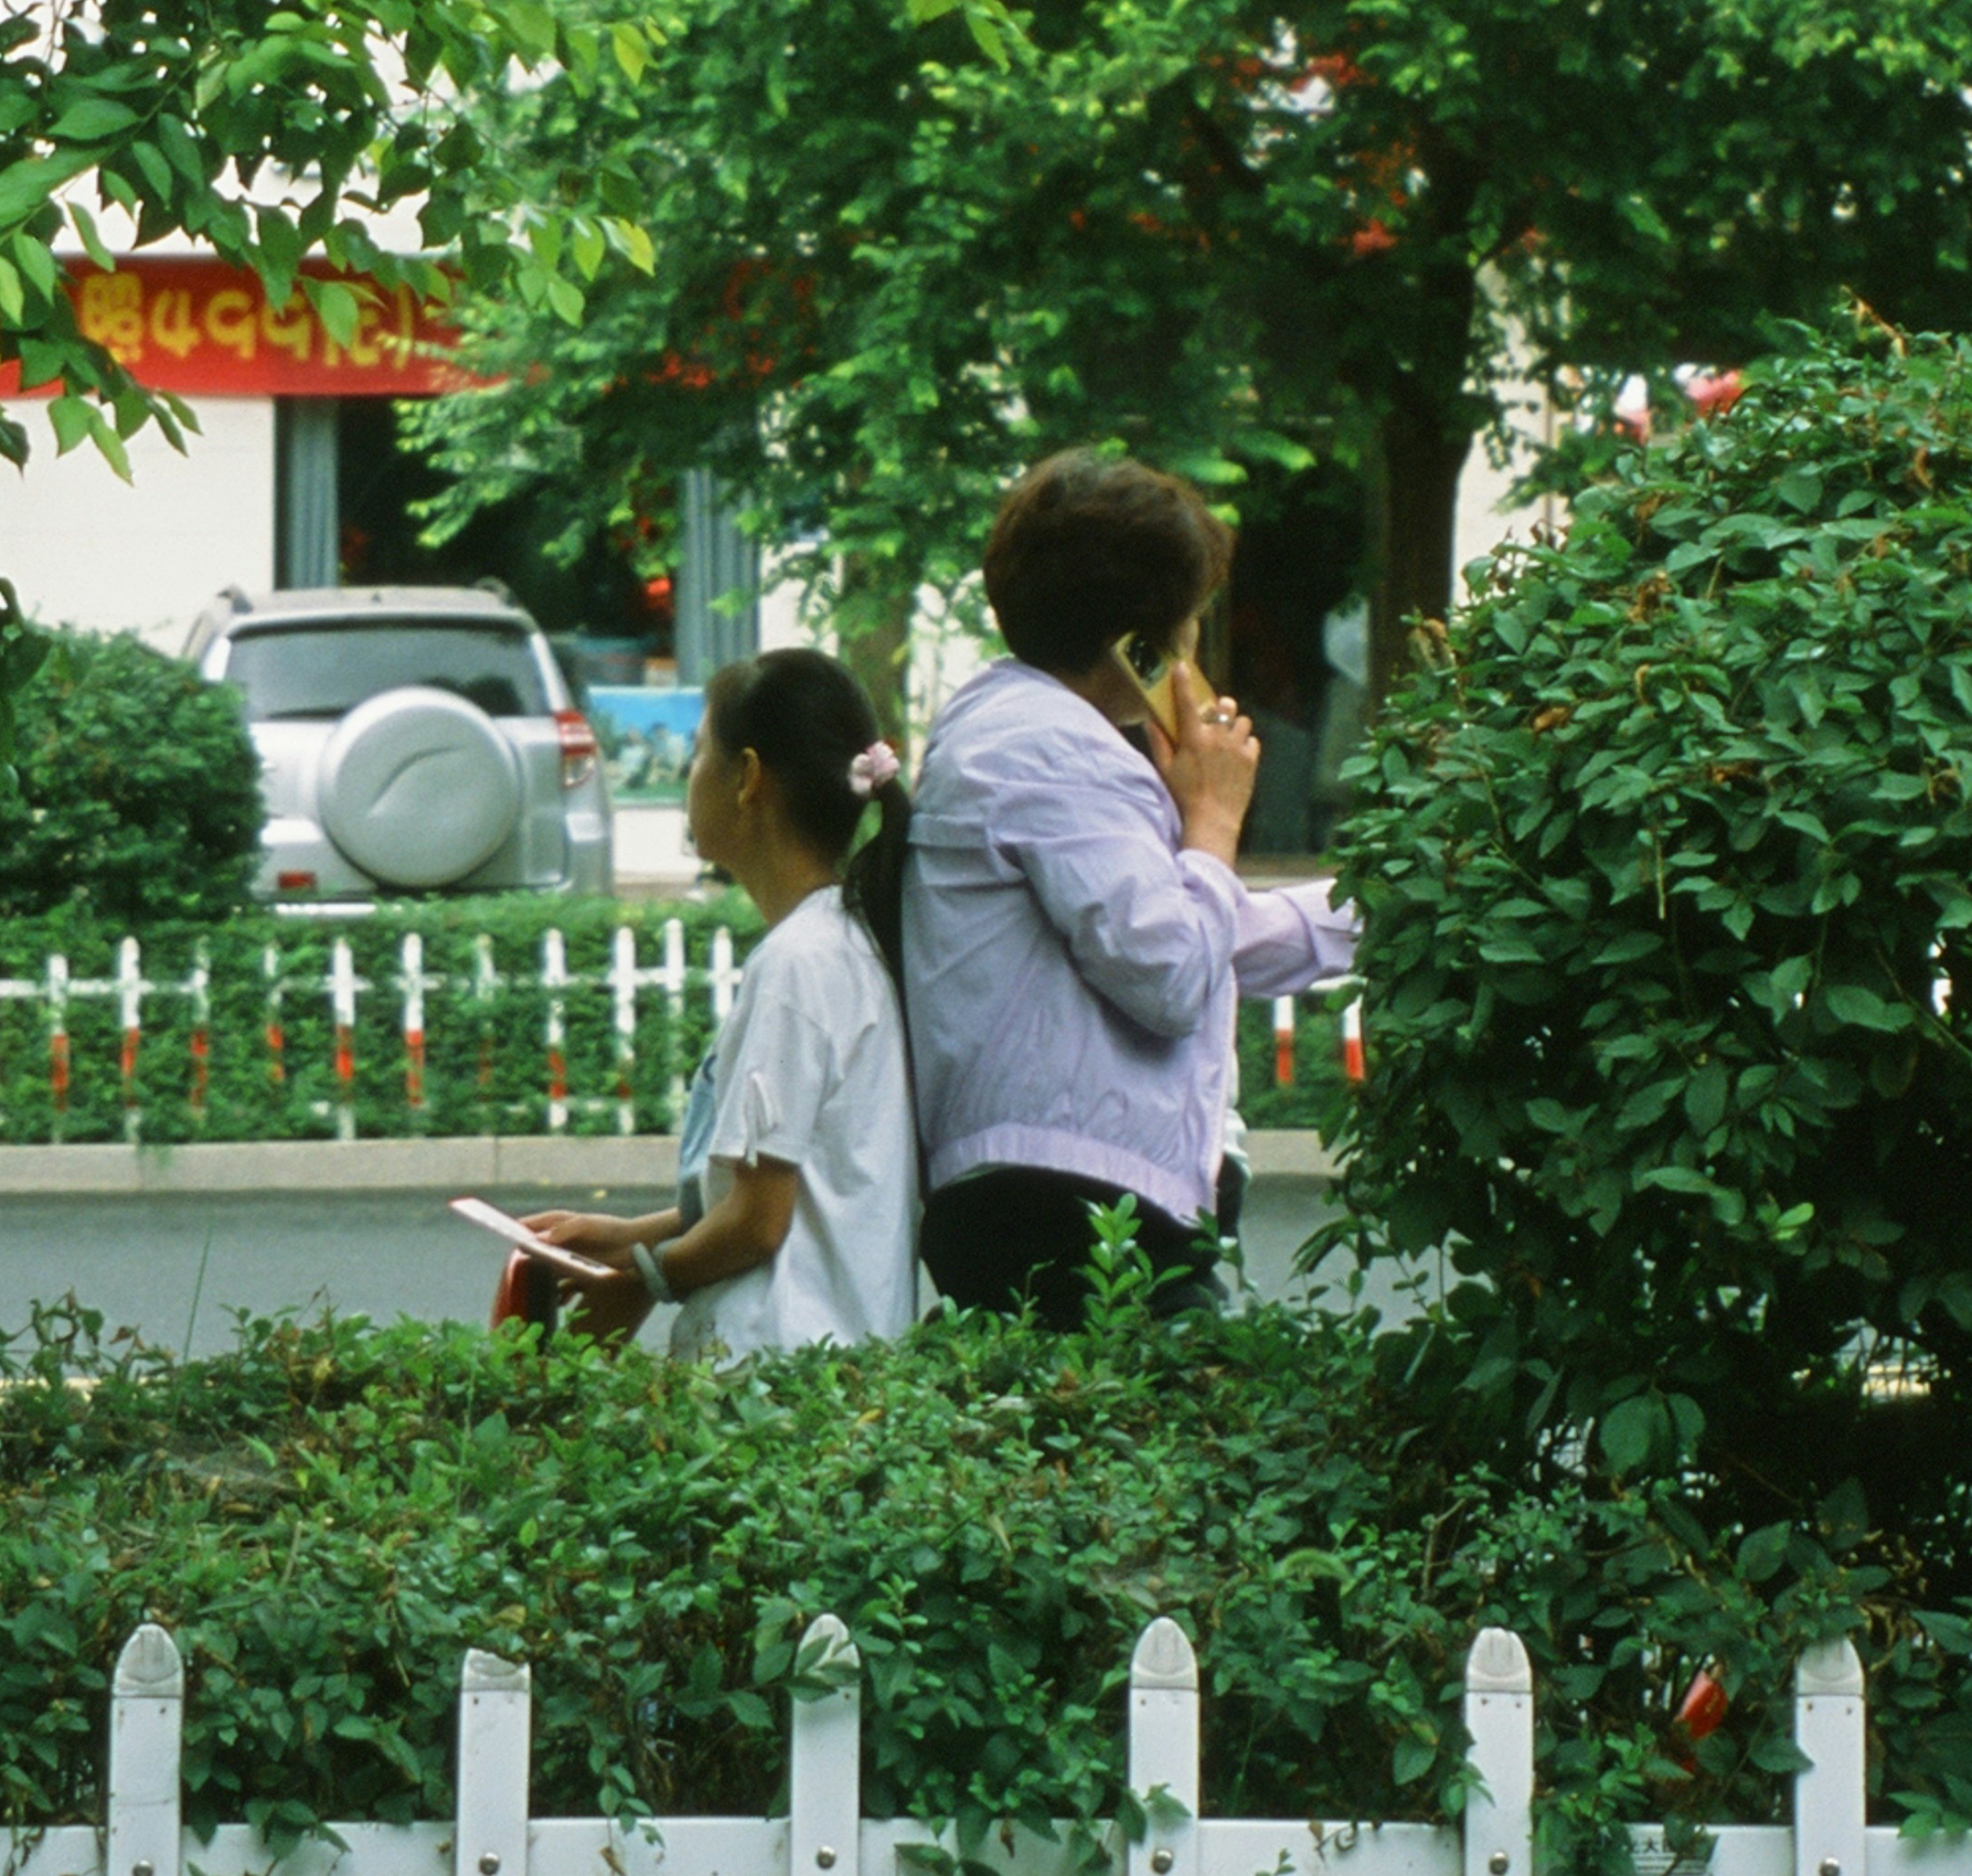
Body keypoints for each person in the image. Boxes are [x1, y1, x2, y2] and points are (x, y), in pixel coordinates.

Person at [900, 452, 1355, 1322]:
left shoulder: (1030, 733)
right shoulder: (1052, 751)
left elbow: (1204, 931)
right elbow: (1171, 972)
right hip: (1077, 1199)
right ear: (1143, 639)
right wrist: (1214, 820)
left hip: (1068, 1190)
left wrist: (1385, 905)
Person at [519, 649, 920, 1353]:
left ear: (749, 778)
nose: (687, 776)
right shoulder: (836, 946)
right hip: (825, 1376)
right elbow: (771, 1196)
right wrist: (626, 1235)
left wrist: (645, 1274)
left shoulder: (800, 964)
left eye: (701, 751)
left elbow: (760, 1222)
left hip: (777, 1381)